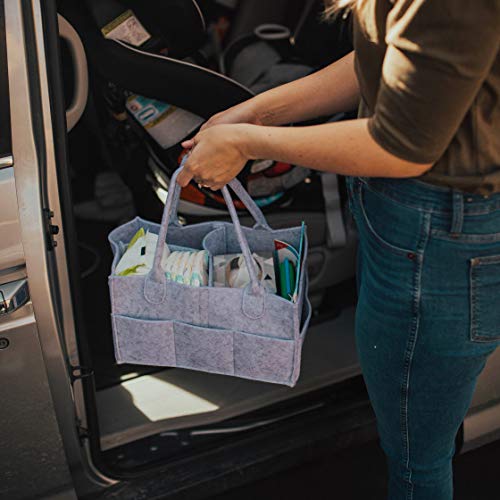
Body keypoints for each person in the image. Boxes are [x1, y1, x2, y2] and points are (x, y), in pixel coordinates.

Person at [177, 1, 500, 498]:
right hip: (410, 221)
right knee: (414, 423)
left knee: (418, 457)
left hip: (440, 238)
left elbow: (401, 146)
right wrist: (252, 112)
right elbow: (379, 62)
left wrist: (249, 142)